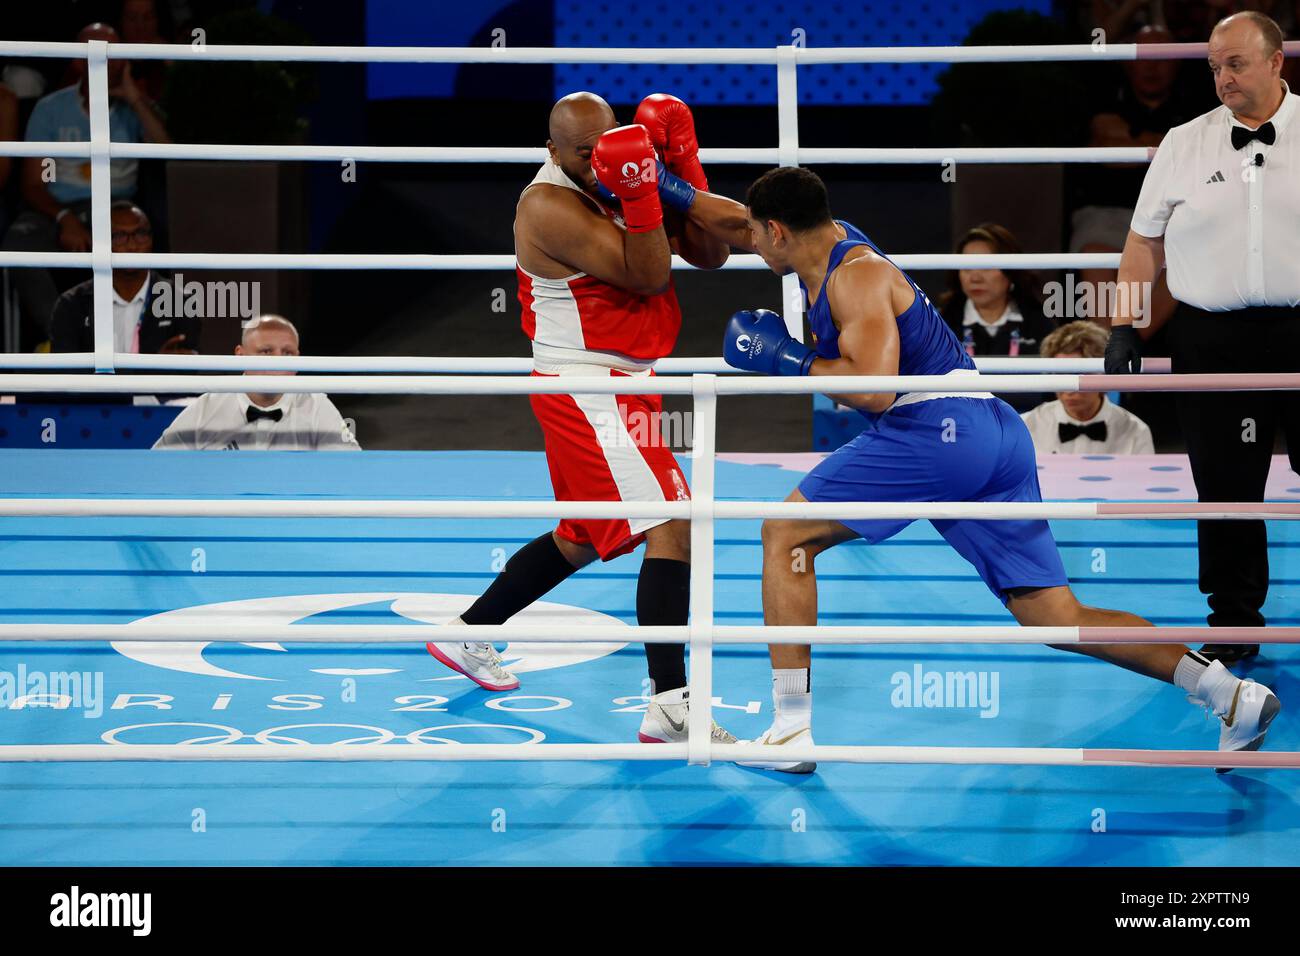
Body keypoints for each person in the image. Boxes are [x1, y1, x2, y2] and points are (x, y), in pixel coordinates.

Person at [665, 165, 1278, 773]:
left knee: (785, 532)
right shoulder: (824, 241)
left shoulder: (856, 277)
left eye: (758, 233)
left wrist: (788, 359)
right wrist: (663, 188)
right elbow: (735, 222)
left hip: (932, 430)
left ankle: (790, 729)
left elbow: (875, 391)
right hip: (992, 432)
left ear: (778, 231)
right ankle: (1228, 694)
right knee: (1053, 615)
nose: (748, 241)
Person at [425, 92, 737, 746]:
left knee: (582, 534)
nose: (598, 165)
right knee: (672, 524)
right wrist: (648, 191)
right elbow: (650, 275)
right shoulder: (547, 206)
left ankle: (470, 633)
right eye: (581, 155)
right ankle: (671, 707)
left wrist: (677, 163)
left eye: (606, 149)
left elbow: (712, 253)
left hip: (626, 385)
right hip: (588, 388)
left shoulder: (624, 164)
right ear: (552, 152)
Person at [1105, 11, 1300, 666]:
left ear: (1276, 62)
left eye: (1236, 64)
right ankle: (1234, 621)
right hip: (1213, 337)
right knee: (1224, 484)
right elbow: (1142, 240)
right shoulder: (1185, 142)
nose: (1222, 78)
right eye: (1214, 66)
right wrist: (1127, 323)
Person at [1, 22, 171, 351]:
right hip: (56, 207)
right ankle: (63, 340)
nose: (108, 62)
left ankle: (140, 343)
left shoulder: (133, 108)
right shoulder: (51, 109)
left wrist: (134, 98)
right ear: (79, 61)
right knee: (19, 249)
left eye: (114, 55)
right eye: (97, 54)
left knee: (142, 237)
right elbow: (34, 183)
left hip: (119, 208)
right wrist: (65, 217)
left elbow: (168, 149)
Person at [153, 315, 358, 451]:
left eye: (287, 353)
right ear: (241, 356)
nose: (278, 361)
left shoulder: (317, 407)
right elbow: (158, 466)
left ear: (298, 360)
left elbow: (352, 471)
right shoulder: (208, 406)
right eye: (266, 351)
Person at [936, 223, 1056, 414]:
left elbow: (1053, 395)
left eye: (986, 266)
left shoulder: (1040, 322)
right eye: (966, 267)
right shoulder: (941, 323)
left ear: (1010, 271)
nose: (975, 277)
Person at [49, 202, 197, 355]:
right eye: (119, 237)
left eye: (140, 234)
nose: (132, 246)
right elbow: (64, 373)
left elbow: (190, 366)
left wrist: (165, 368)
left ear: (152, 238)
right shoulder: (70, 305)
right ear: (101, 243)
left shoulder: (181, 300)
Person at [1021, 320, 1154, 455]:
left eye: (1079, 375)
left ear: (1103, 374)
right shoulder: (1026, 425)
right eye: (1060, 375)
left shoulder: (1136, 431)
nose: (1069, 390)